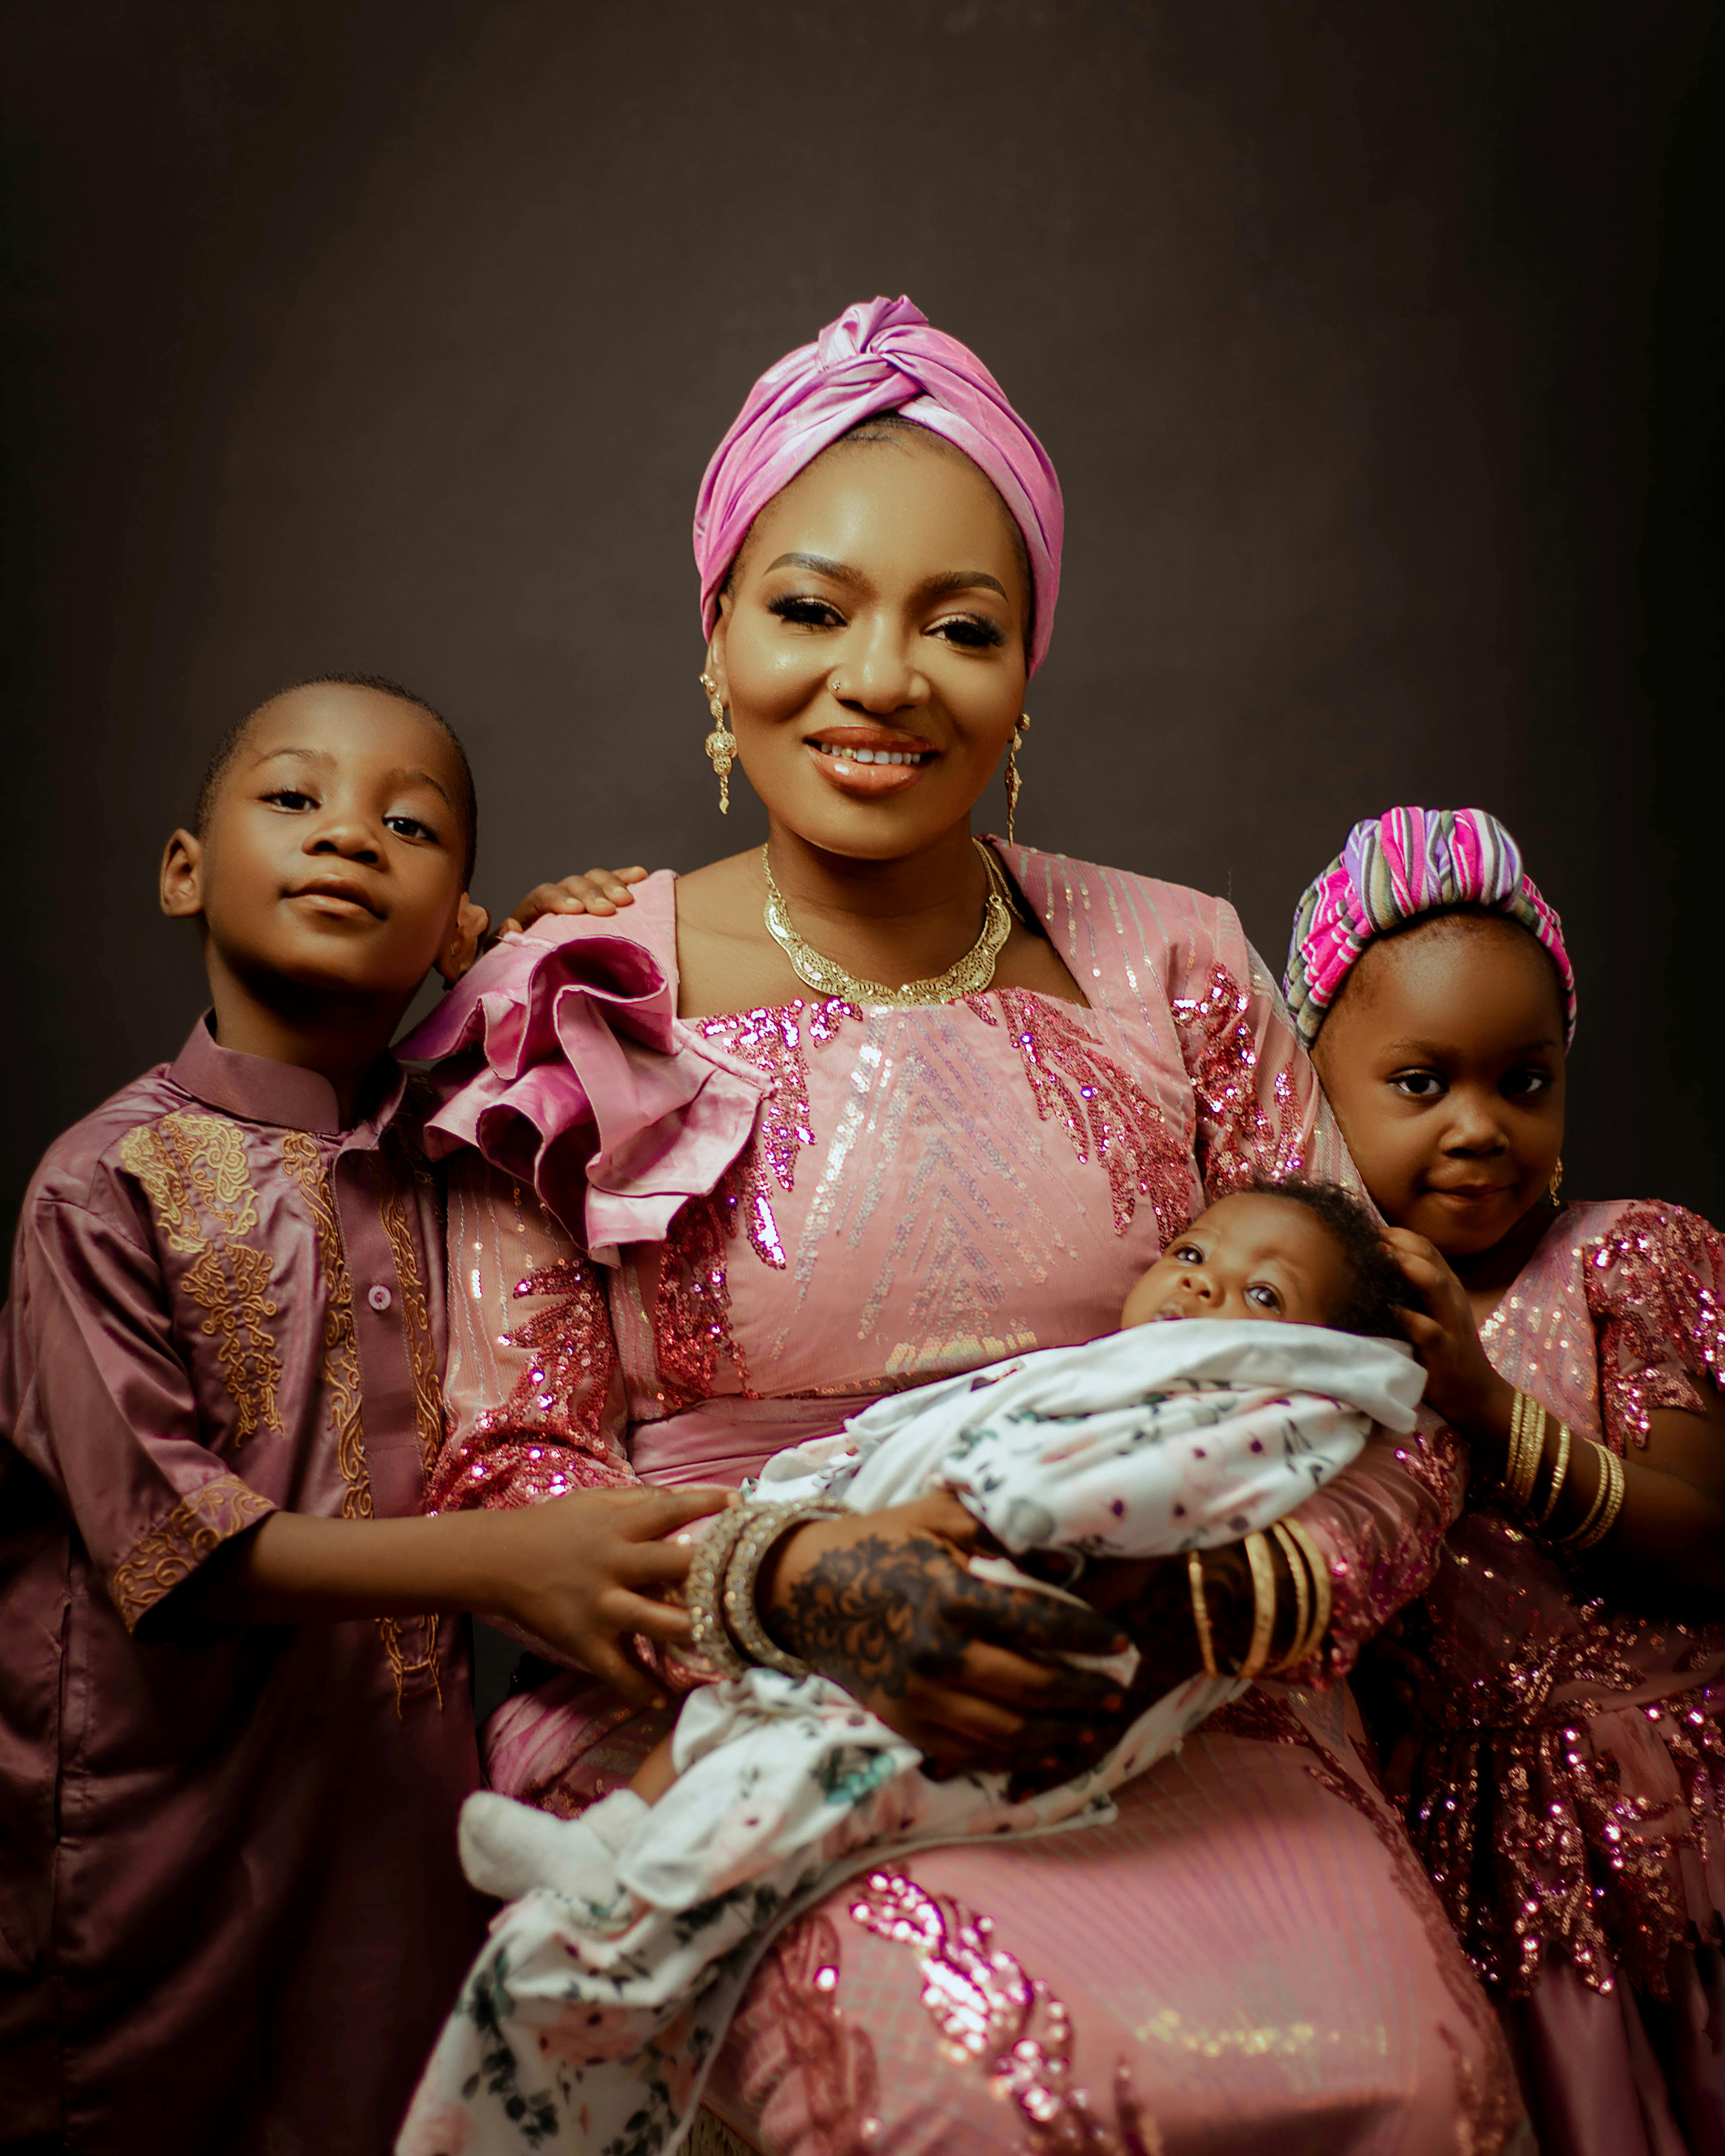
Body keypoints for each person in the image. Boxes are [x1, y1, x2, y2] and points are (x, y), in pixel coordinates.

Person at [402, 300, 1526, 2156]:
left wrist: (1206, 1608)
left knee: (1408, 2067)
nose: (882, 679)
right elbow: (500, 1466)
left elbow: (1386, 1391)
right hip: (738, 1710)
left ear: (1030, 667)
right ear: (717, 634)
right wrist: (806, 1595)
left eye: (962, 625)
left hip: (1176, 1692)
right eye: (811, 608)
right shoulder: (577, 997)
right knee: (970, 2095)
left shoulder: (1176, 963)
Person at [0, 676, 728, 2156]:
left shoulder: (458, 1154)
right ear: (183, 870)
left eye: (408, 826)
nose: (347, 838)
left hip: (394, 1800)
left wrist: (544, 947)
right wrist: (506, 1572)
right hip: (157, 1806)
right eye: (292, 801)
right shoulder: (103, 1185)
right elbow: (172, 1553)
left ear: (455, 922)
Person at [407, 1181, 1431, 2156]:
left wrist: (980, 1527)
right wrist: (786, 1556)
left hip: (1018, 1655)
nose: (1207, 1287)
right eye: (1192, 1254)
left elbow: (1127, 1493)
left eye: (1264, 1296)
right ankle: (614, 1852)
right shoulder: (1113, 1366)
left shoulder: (1256, 1408)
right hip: (776, 1570)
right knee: (745, 1715)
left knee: (801, 1784)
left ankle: (640, 1926)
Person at [1283, 803, 1725, 2156]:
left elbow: (1706, 1540)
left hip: (1670, 1822)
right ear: (1318, 1086)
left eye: (1523, 1082)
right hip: (1450, 1856)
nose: (1480, 1128)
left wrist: (1491, 1416)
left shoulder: (1624, 1260)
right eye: (1422, 1085)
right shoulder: (1310, 1324)